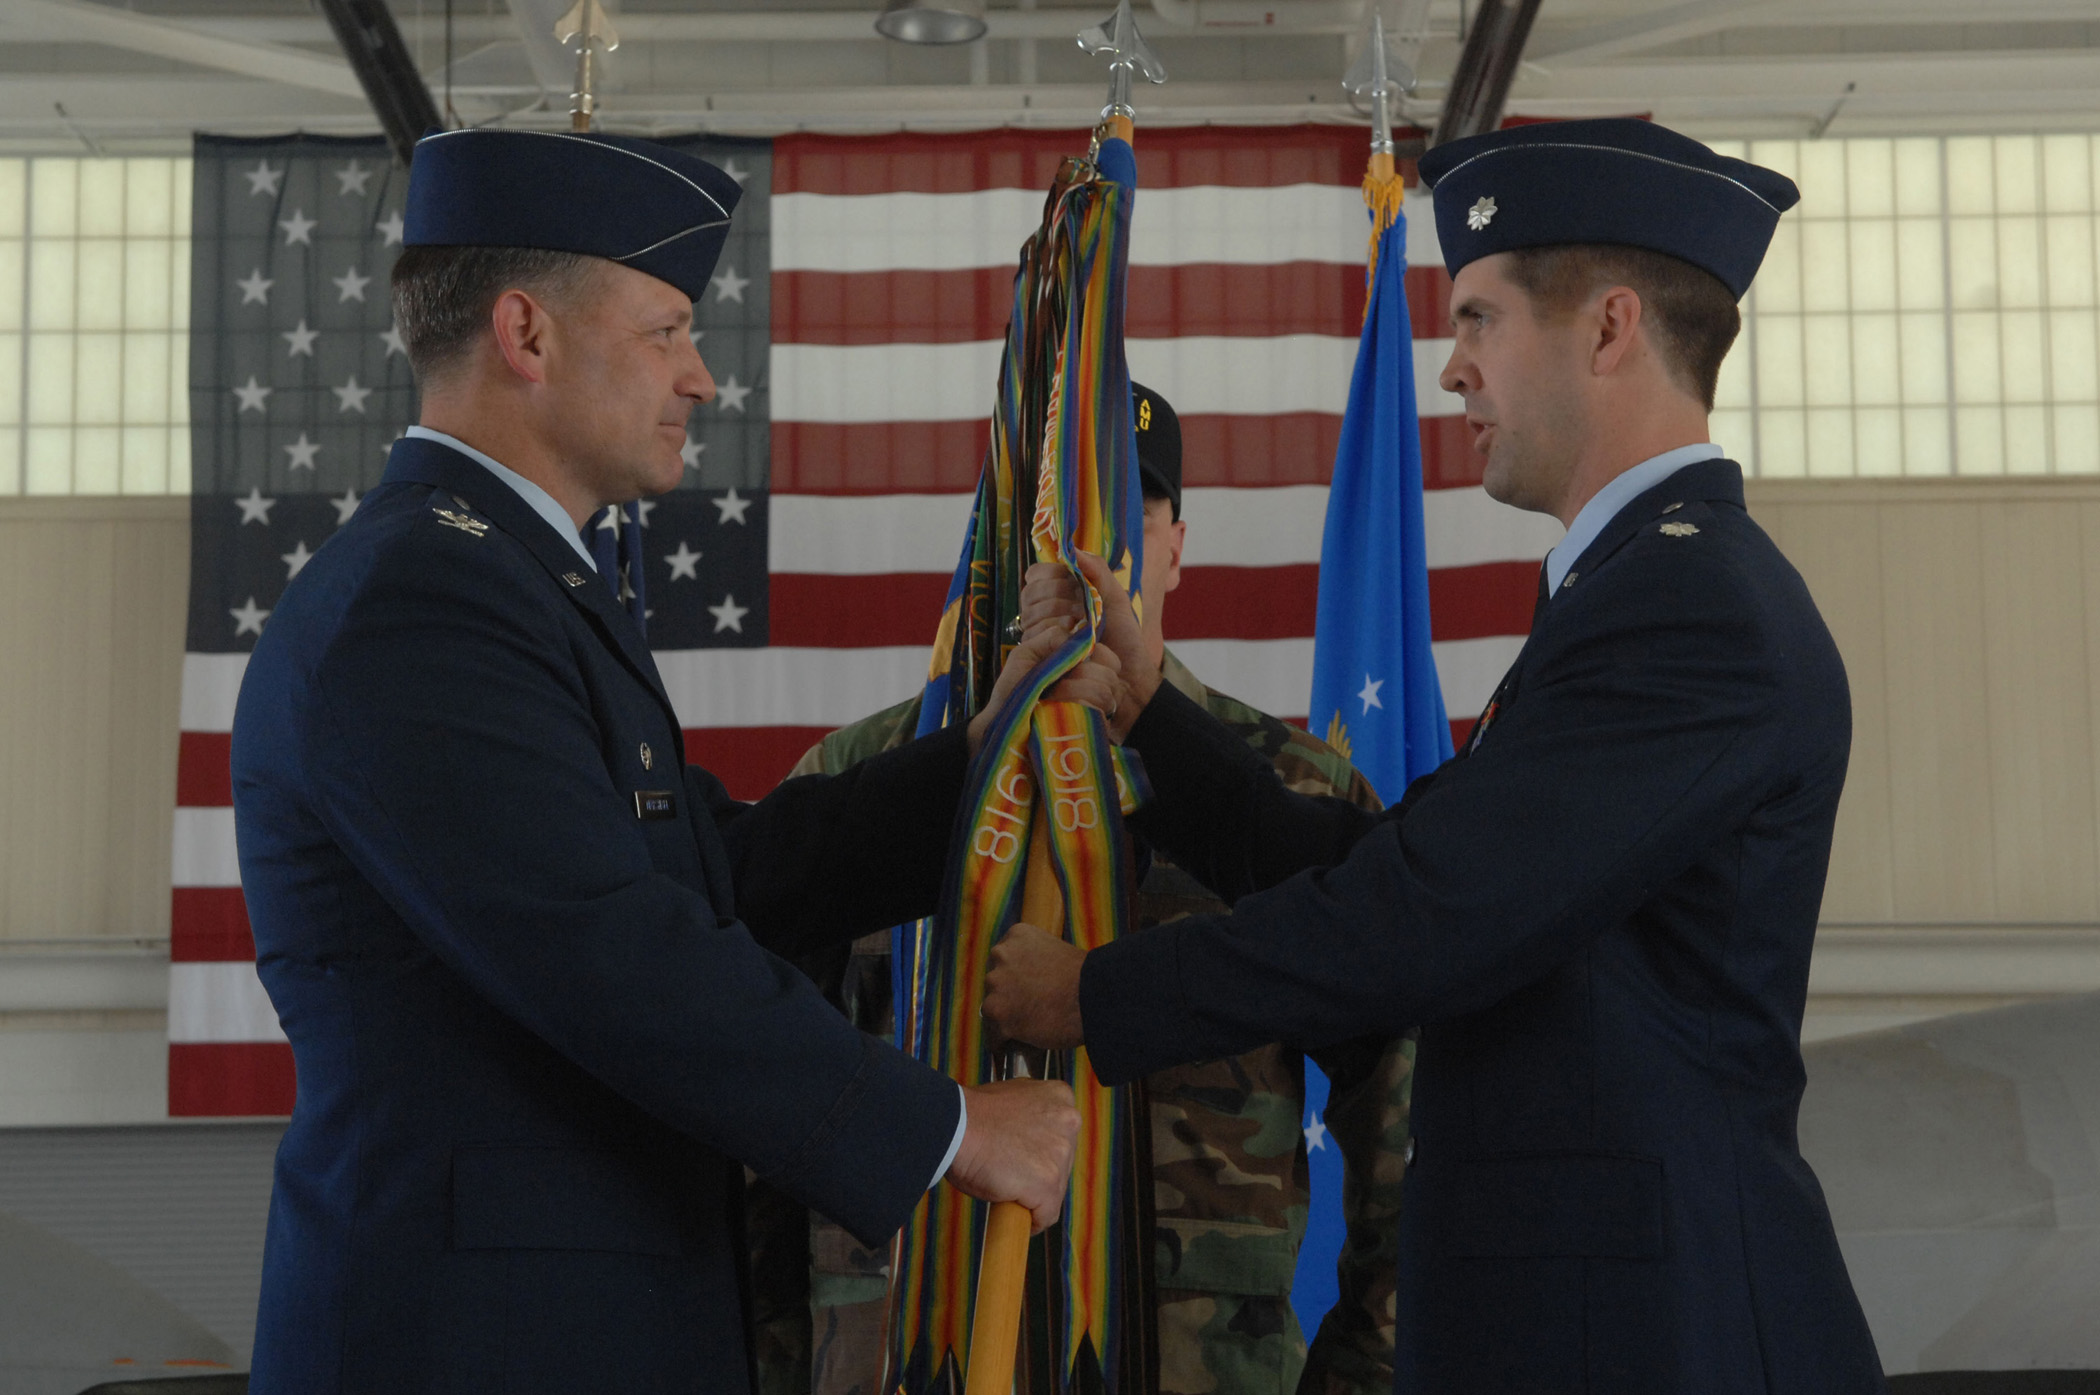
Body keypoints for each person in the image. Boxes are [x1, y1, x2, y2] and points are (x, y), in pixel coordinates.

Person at [984, 119, 1888, 1392]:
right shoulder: (1633, 591)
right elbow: (1416, 866)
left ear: (1610, 329)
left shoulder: (1692, 610)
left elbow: (1431, 910)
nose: (1452, 369)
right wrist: (1150, 712)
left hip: (1651, 1332)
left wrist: (1102, 996)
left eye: (1478, 319)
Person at [230, 128, 1098, 1395]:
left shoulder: (502, 577)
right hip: (475, 1339)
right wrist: (948, 1129)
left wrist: (982, 757)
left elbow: (710, 872)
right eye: (666, 330)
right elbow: (608, 947)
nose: (701, 378)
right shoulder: (421, 604)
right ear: (526, 335)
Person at [745, 384, 1414, 1395]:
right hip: (904, 1350)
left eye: (1128, 515)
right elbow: (760, 1106)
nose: (1088, 557)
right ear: (1007, 546)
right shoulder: (863, 785)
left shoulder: (1293, 791)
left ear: (1177, 545)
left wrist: (1365, 1372)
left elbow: (1401, 1107)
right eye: (1061, 523)